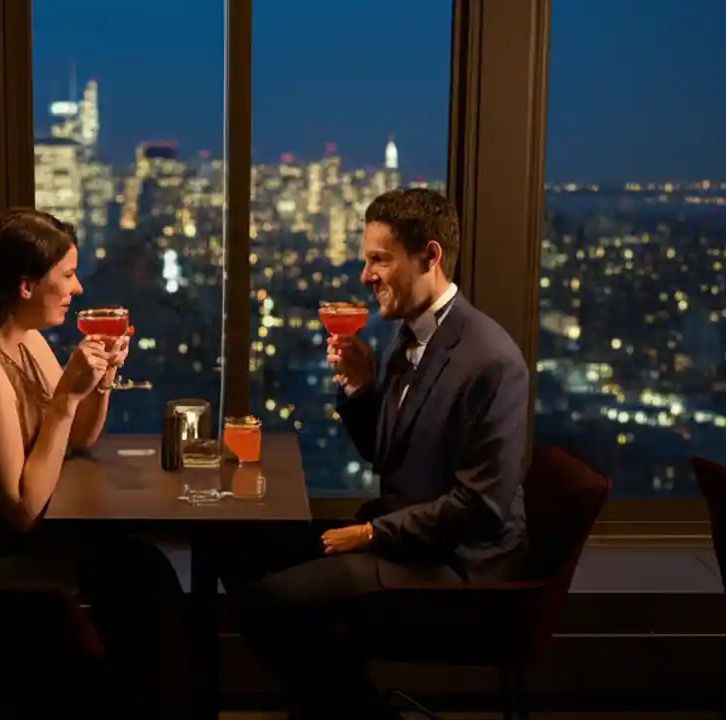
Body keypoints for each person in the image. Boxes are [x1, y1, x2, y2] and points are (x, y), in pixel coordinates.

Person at [219, 189, 530, 719]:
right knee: (236, 546)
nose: (365, 276)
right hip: (405, 536)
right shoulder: (407, 336)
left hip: (457, 564)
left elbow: (479, 506)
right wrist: (363, 389)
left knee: (266, 604)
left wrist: (369, 535)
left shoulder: (490, 361)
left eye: (379, 259)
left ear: (429, 257)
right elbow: (387, 458)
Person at [0, 208, 186, 717]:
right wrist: (64, 399)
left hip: (16, 545)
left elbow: (78, 437)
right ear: (26, 286)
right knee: (140, 583)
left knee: (144, 572)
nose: (77, 288)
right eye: (67, 275)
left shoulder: (28, 343)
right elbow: (21, 510)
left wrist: (99, 382)